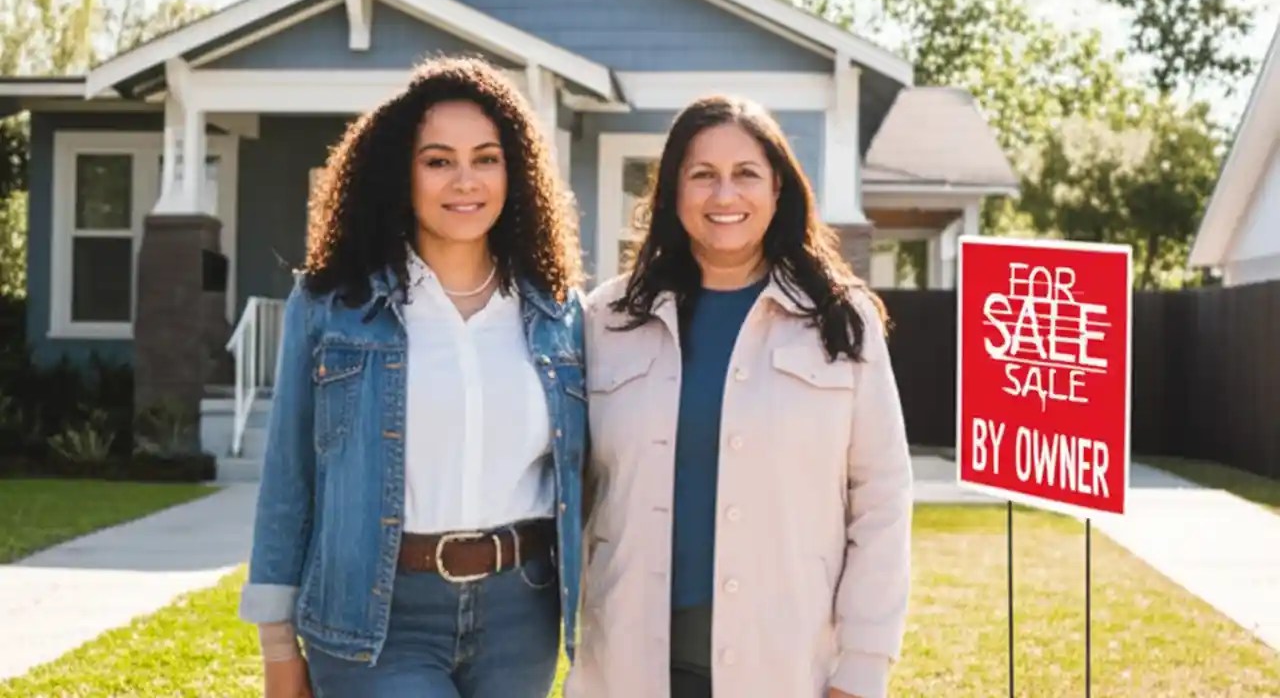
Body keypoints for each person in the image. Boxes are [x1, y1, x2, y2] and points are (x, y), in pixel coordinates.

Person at [238, 55, 588, 698]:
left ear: (516, 172)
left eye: (486, 158)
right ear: (401, 173)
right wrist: (278, 648)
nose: (465, 181)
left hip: (522, 616)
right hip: (376, 614)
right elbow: (289, 482)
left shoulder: (558, 313)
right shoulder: (331, 306)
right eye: (438, 160)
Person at [565, 95, 913, 698]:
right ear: (673, 193)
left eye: (746, 174)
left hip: (784, 666)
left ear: (778, 190)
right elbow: (570, 489)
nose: (724, 196)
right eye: (702, 175)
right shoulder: (607, 319)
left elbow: (882, 499)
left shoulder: (840, 319)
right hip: (626, 665)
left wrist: (862, 666)